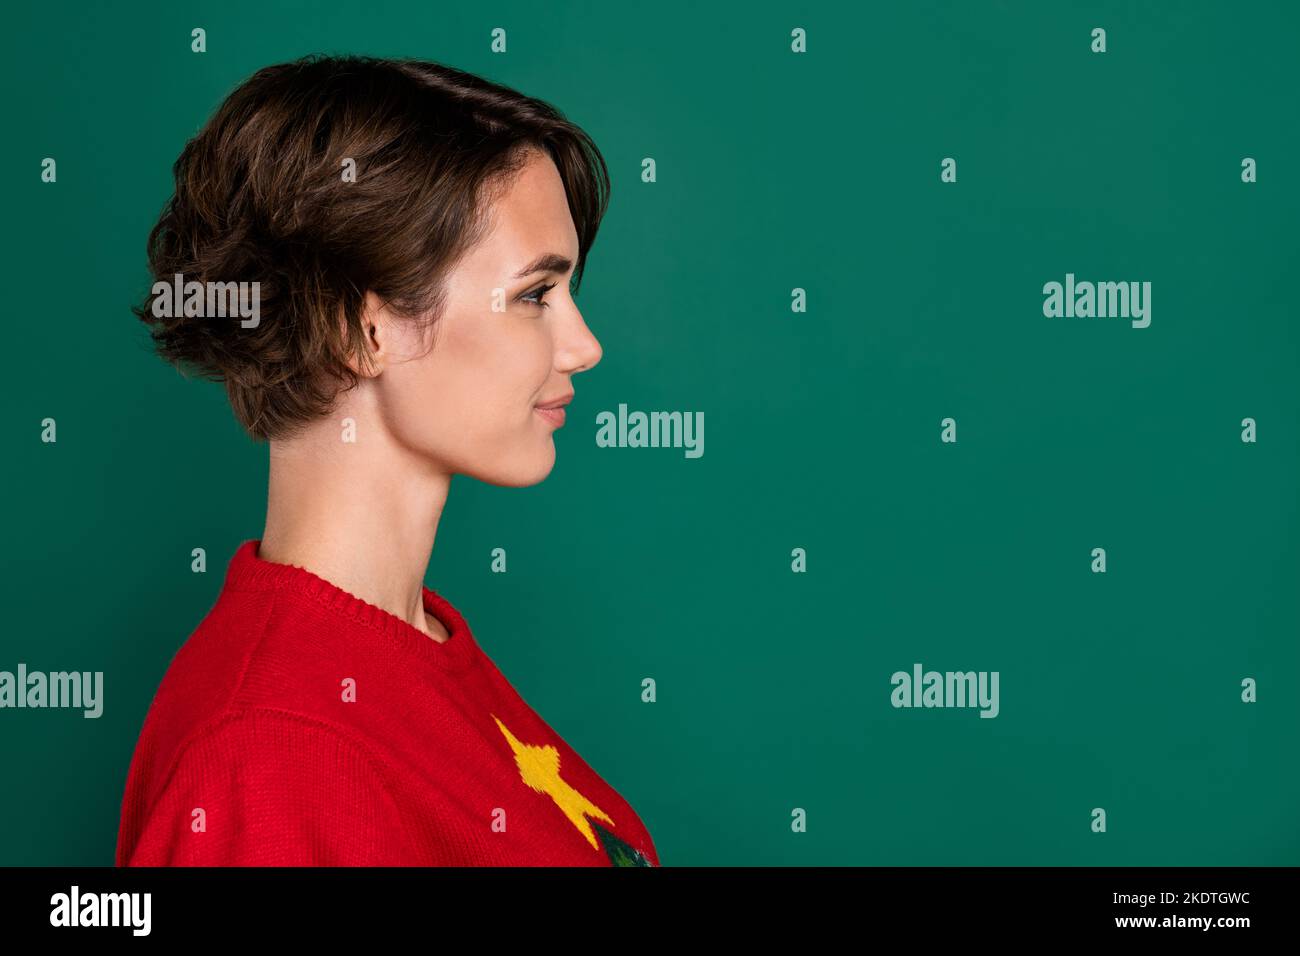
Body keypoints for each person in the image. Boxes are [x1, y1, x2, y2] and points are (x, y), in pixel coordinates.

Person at [115, 54, 659, 867]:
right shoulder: (270, 751)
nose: (585, 347)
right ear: (357, 329)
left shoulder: (413, 645)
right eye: (535, 295)